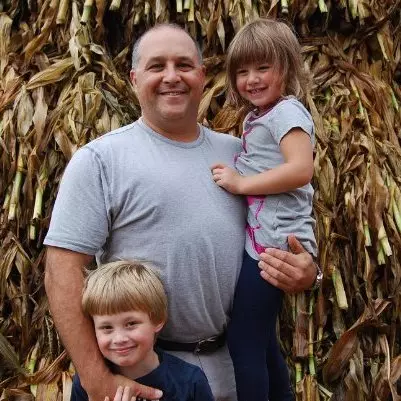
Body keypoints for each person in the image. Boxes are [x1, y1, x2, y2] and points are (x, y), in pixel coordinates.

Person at [44, 23, 320, 401]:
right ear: (134, 77)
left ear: (203, 77)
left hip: (236, 371)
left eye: (184, 65)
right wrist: (96, 379)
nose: (171, 77)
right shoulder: (100, 161)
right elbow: (61, 271)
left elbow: (284, 218)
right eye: (157, 66)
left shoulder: (239, 155)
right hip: (150, 376)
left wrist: (309, 275)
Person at [211, 18, 317, 401]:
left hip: (275, 242)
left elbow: (301, 169)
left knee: (243, 342)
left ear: (286, 69)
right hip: (266, 237)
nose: (251, 79)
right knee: (261, 337)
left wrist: (241, 184)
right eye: (242, 71)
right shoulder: (262, 116)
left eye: (263, 67)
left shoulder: (287, 113)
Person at [70, 261, 214, 401]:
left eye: (131, 324)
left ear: (157, 319)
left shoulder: (190, 382)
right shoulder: (88, 383)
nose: (119, 338)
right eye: (107, 327)